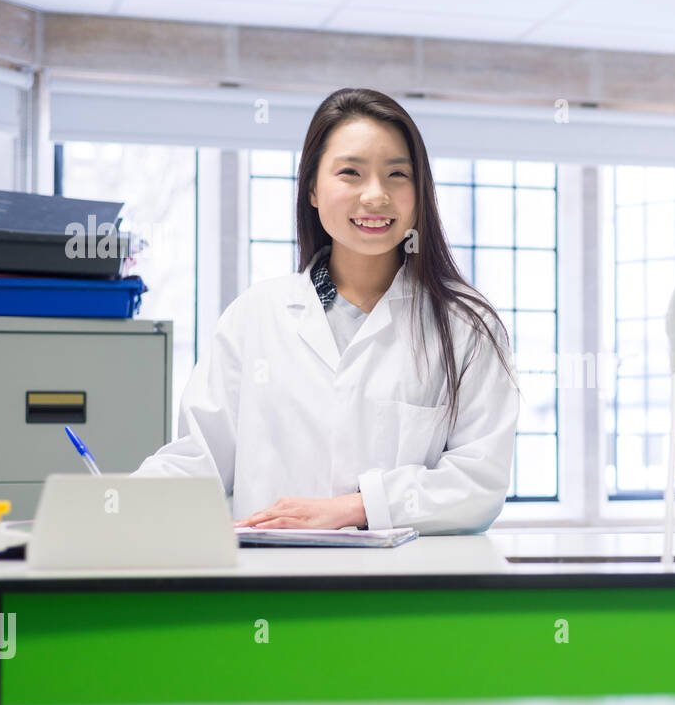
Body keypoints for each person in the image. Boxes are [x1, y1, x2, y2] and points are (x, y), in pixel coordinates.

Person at [133, 87, 520, 534]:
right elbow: (198, 460)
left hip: (404, 587)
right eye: (351, 173)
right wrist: (112, 506)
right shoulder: (255, 316)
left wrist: (356, 508)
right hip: (271, 587)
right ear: (313, 189)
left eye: (397, 174)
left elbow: (478, 485)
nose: (376, 196)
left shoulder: (466, 327)